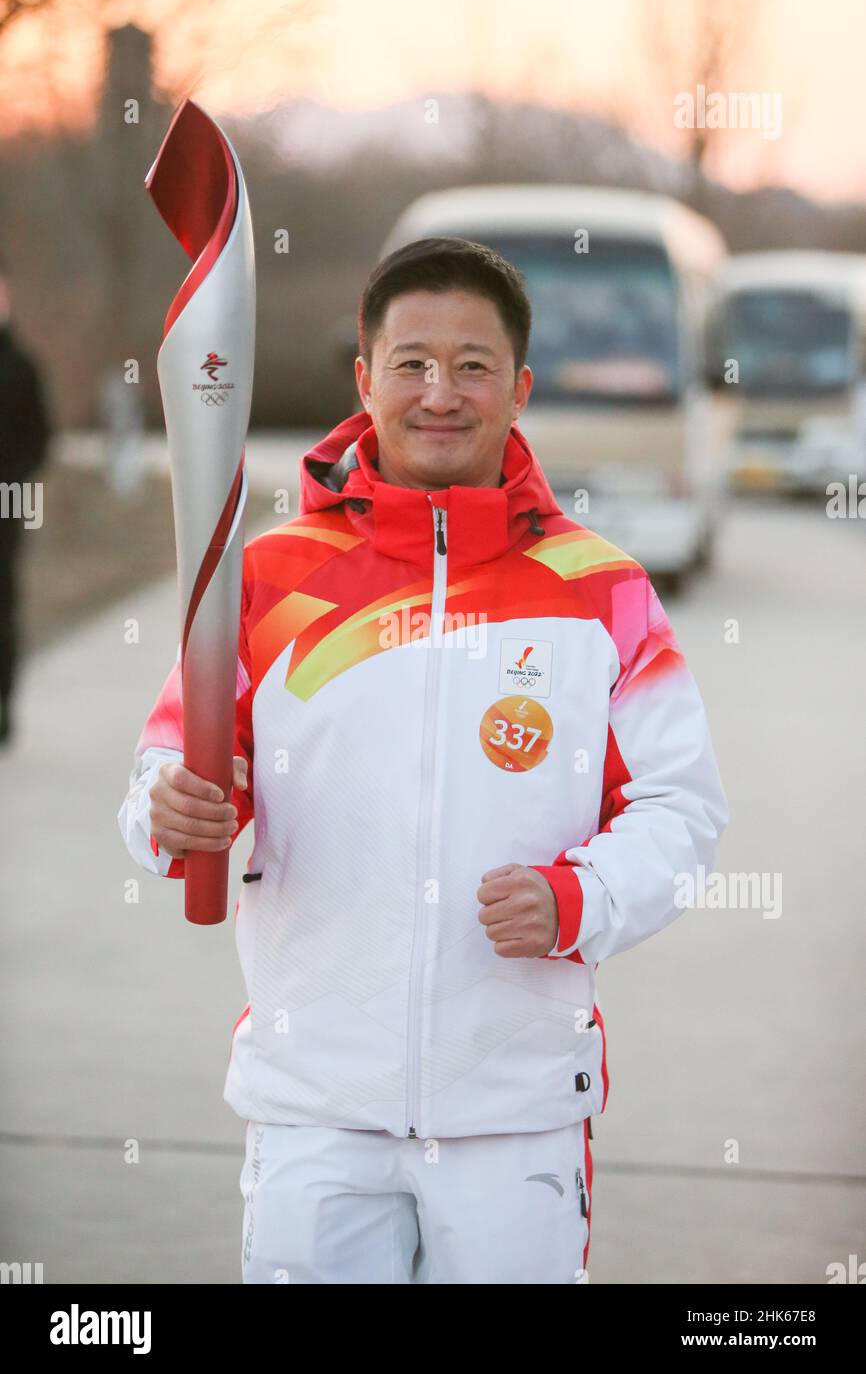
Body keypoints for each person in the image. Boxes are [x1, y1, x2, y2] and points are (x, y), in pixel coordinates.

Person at [117, 237, 729, 1284]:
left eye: (472, 365)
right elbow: (168, 771)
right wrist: (167, 819)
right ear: (364, 378)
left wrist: (577, 898)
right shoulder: (267, 580)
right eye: (410, 363)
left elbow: (682, 808)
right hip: (315, 1105)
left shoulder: (601, 590)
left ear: (518, 388)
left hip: (514, 1114)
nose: (439, 393)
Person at [0, 254, 53, 746]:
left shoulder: (21, 367)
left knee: (3, 603)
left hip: (7, 504)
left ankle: (2, 706)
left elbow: (40, 439)